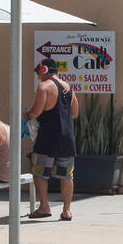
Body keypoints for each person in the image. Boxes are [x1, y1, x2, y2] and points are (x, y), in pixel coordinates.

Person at [27, 58, 78, 221]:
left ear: (43, 70)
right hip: (67, 137)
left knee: (39, 172)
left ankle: (44, 207)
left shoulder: (44, 86)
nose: (38, 78)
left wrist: (27, 114)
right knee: (67, 175)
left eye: (38, 74)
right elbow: (75, 113)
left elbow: (36, 111)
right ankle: (67, 210)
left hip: (48, 137)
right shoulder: (69, 87)